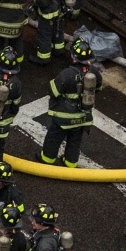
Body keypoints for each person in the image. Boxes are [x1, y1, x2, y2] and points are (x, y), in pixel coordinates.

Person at [42, 38, 98, 167]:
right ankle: (70, 163)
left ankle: (47, 159)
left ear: (73, 56)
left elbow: (54, 91)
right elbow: (98, 88)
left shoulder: (67, 74)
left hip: (64, 117)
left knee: (54, 138)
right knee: (75, 140)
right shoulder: (94, 73)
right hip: (83, 116)